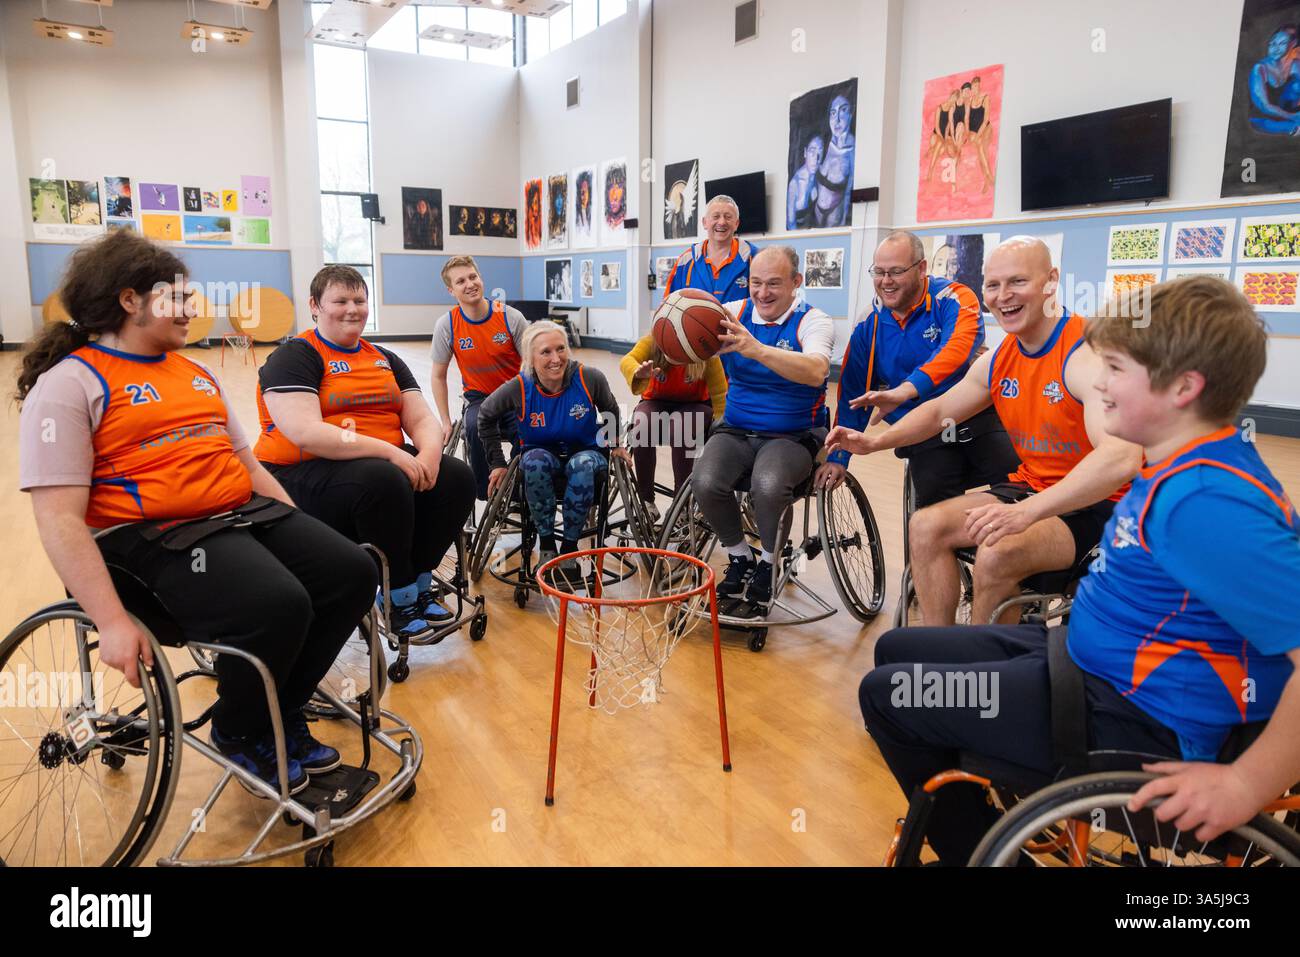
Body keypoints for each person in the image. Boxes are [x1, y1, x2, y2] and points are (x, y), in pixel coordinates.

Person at [858, 276, 1300, 865]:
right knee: (897, 650)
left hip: (1132, 714)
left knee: (889, 695)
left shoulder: (1204, 503)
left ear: (1184, 387)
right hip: (1090, 660)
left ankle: (978, 850)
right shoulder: (1179, 464)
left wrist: (1246, 783)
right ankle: (985, 811)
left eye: (1115, 369)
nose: (1100, 384)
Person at [16, 231, 377, 794]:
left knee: (351, 571)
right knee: (278, 603)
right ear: (130, 300)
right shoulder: (69, 384)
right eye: (179, 297)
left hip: (237, 515)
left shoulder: (195, 374)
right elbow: (59, 518)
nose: (192, 308)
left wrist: (300, 527)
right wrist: (111, 621)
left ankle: (281, 709)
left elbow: (248, 466)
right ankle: (241, 730)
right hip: (143, 540)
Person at [827, 236, 1141, 626]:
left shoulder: (1085, 356)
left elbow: (1121, 458)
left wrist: (1027, 512)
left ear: (1051, 281)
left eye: (1017, 282)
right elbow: (939, 411)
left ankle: (980, 659)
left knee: (997, 552)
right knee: (924, 526)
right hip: (1033, 488)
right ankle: (941, 651)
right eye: (993, 285)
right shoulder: (1001, 357)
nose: (1003, 296)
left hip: (1099, 506)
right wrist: (874, 442)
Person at [255, 264, 475, 639]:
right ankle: (396, 596)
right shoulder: (296, 356)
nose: (352, 309)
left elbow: (421, 418)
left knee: (456, 477)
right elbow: (306, 433)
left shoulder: (383, 358)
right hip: (300, 473)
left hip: (373, 470)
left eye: (359, 300)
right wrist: (391, 453)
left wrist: (429, 455)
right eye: (340, 301)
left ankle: (419, 584)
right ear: (315, 306)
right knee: (384, 478)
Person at [818, 232, 1020, 518]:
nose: (886, 281)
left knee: (1021, 488)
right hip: (923, 433)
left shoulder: (953, 297)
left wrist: (905, 390)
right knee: (934, 518)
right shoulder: (868, 323)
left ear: (922, 268)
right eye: (879, 272)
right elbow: (853, 392)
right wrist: (839, 456)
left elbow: (955, 350)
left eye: (896, 271)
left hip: (978, 418)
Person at [691, 246, 835, 615]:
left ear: (796, 282)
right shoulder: (733, 312)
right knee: (704, 480)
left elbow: (816, 371)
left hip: (793, 434)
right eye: (756, 283)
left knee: (768, 485)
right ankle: (740, 557)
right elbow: (683, 325)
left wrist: (756, 349)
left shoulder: (813, 321)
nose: (762, 292)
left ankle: (770, 564)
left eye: (773, 283)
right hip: (737, 429)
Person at [477, 321, 631, 590]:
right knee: (535, 462)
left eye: (561, 349)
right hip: (540, 454)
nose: (556, 358)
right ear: (530, 358)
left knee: (582, 464)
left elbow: (610, 409)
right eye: (546, 352)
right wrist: (497, 463)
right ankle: (547, 545)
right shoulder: (519, 387)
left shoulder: (589, 378)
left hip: (585, 452)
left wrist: (616, 443)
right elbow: (485, 417)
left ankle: (569, 550)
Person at [429, 255, 527, 500]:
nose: (470, 284)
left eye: (473, 277)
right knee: (473, 427)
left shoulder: (510, 317)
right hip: (479, 398)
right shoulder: (447, 325)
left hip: (514, 396)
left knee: (529, 429)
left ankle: (516, 489)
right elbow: (438, 376)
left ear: (481, 278)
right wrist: (445, 421)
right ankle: (487, 493)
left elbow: (533, 365)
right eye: (461, 281)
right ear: (451, 290)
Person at [619, 330, 728, 518]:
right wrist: (637, 371)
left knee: (681, 428)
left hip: (695, 405)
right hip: (656, 402)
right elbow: (627, 360)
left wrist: (722, 429)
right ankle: (646, 501)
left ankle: (680, 505)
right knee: (642, 424)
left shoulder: (704, 348)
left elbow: (719, 394)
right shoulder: (652, 341)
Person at [663, 195, 759, 304]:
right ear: (705, 222)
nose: (722, 222)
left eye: (728, 217)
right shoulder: (685, 262)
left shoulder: (755, 259)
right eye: (716, 216)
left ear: (736, 224)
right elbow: (668, 306)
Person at [813, 93, 855, 228]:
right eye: (833, 113)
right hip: (816, 211)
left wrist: (843, 221)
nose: (837, 120)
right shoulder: (823, 144)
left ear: (851, 114)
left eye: (843, 110)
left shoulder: (852, 151)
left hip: (835, 214)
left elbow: (849, 191)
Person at [1248, 26, 1300, 136]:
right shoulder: (1260, 69)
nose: (1275, 49)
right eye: (1272, 44)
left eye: (1282, 44)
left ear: (1292, 44)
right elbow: (1264, 106)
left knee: (1296, 86)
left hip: (1290, 115)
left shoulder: (1295, 65)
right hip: (1264, 119)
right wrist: (1294, 116)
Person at [786, 135, 823, 230]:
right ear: (805, 152)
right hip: (799, 236)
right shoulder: (794, 184)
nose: (816, 159)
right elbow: (791, 224)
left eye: (820, 152)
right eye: (812, 152)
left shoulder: (819, 175)